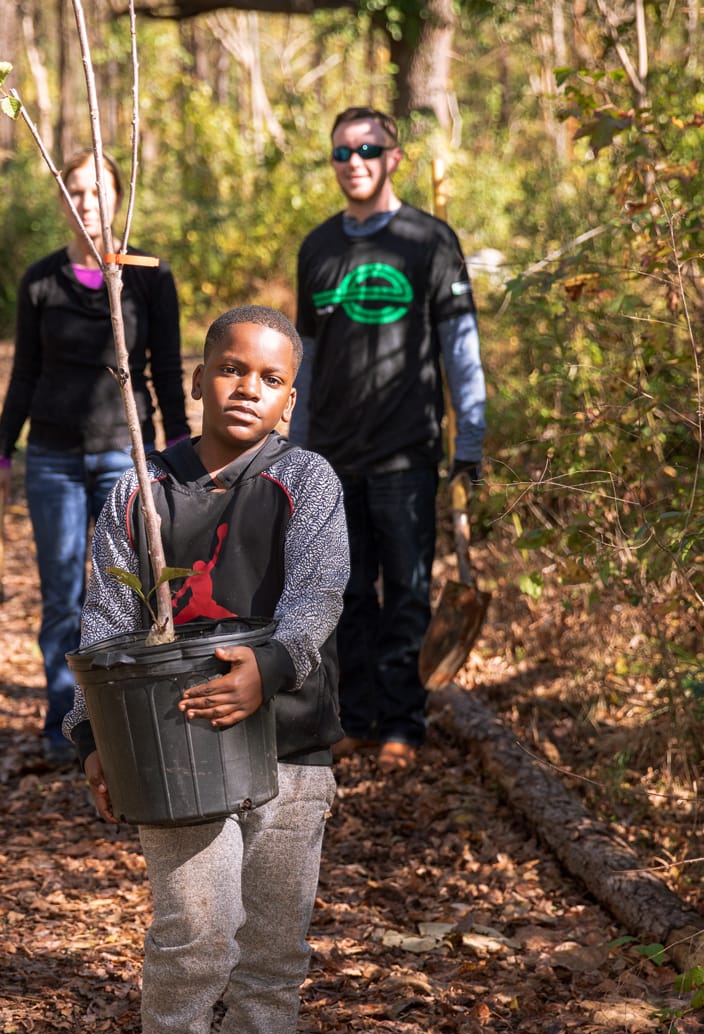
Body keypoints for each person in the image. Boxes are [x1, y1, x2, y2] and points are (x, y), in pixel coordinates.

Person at [65, 305, 348, 1034]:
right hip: (172, 750)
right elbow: (106, 620)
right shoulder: (141, 488)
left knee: (273, 945)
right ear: (196, 378)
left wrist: (274, 667)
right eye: (230, 369)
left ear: (290, 398)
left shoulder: (306, 480)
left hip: (291, 744)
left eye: (270, 378)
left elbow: (320, 593)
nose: (247, 388)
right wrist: (95, 738)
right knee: (196, 928)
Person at [293, 105, 488, 771]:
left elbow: (460, 344)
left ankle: (403, 721)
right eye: (341, 153)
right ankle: (355, 717)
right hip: (332, 453)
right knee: (346, 591)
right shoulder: (317, 248)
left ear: (393, 156)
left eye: (367, 149)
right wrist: (293, 448)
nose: (354, 163)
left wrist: (473, 436)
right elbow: (307, 358)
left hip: (407, 450)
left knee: (406, 587)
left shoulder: (429, 240)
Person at [0, 149, 188, 763]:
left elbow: (166, 374)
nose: (86, 203)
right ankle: (66, 727)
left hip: (124, 457)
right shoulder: (41, 281)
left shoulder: (149, 279)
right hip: (51, 458)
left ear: (117, 199)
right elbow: (23, 372)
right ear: (62, 199)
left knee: (129, 590)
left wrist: (180, 453)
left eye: (98, 191)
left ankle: (129, 720)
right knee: (61, 596)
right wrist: (1, 452)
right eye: (74, 191)